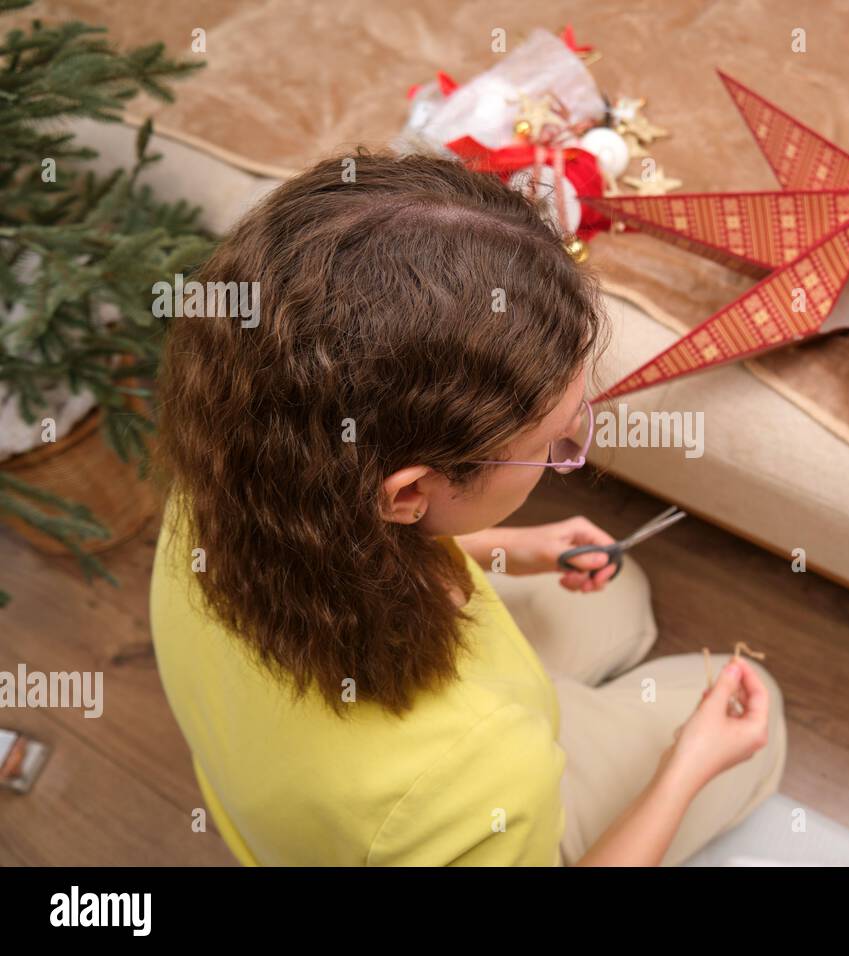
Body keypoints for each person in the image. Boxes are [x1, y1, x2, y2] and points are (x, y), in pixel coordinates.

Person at [149, 151, 787, 866]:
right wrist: (687, 768)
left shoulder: (220, 476)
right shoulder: (474, 775)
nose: (562, 460)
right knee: (757, 708)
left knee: (620, 599)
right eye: (553, 442)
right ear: (410, 493)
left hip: (298, 778)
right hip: (438, 808)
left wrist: (518, 547)